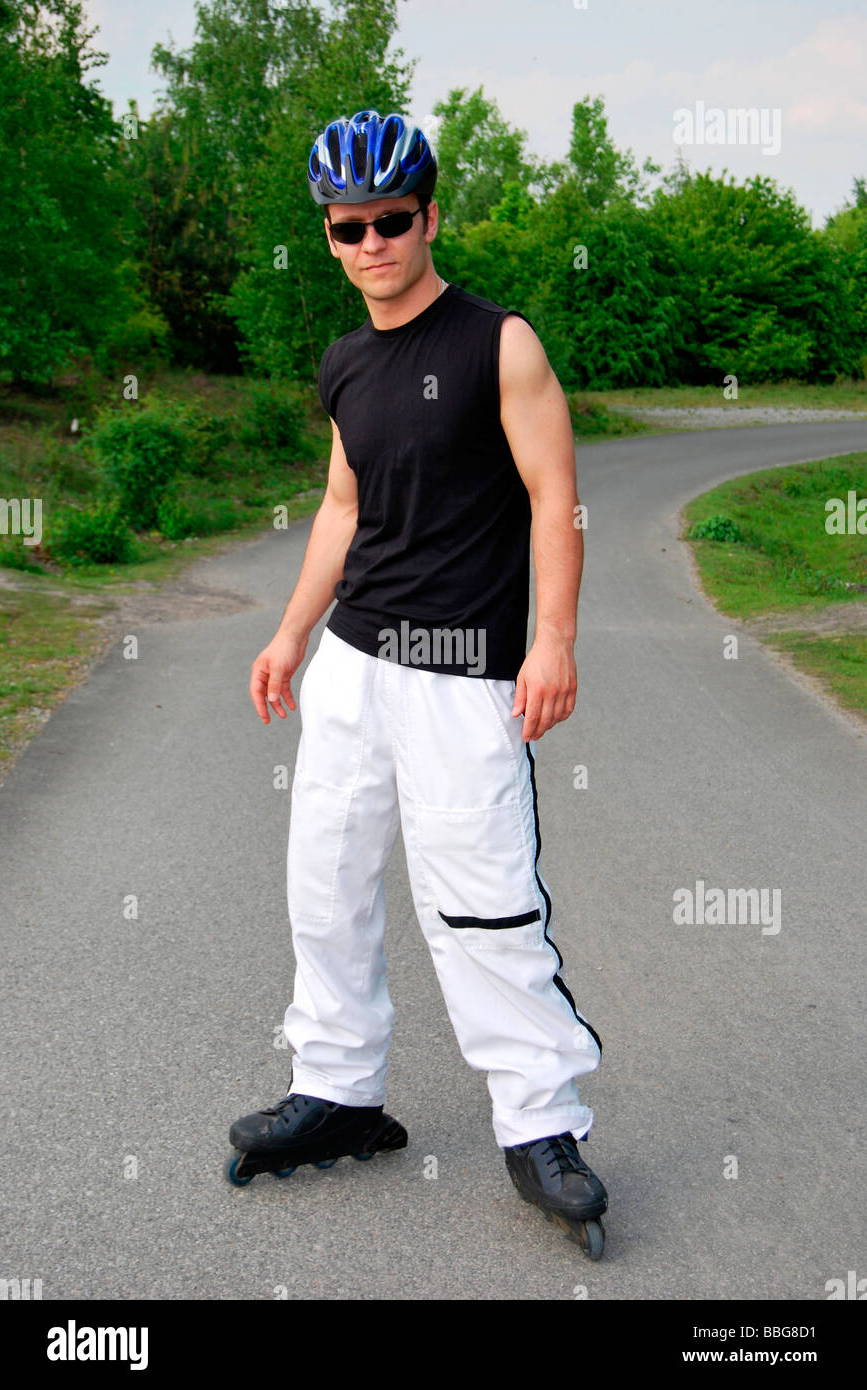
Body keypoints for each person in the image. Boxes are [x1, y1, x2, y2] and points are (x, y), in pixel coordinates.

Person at [227, 110, 608, 1256]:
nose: (373, 242)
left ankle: (540, 1122)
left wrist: (553, 641)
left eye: (392, 219)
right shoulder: (346, 362)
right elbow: (343, 508)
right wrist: (291, 632)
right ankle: (338, 1087)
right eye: (349, 227)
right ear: (329, 236)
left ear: (430, 217)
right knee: (325, 881)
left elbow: (554, 498)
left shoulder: (501, 344)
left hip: (461, 674)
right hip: (352, 667)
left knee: (484, 905)